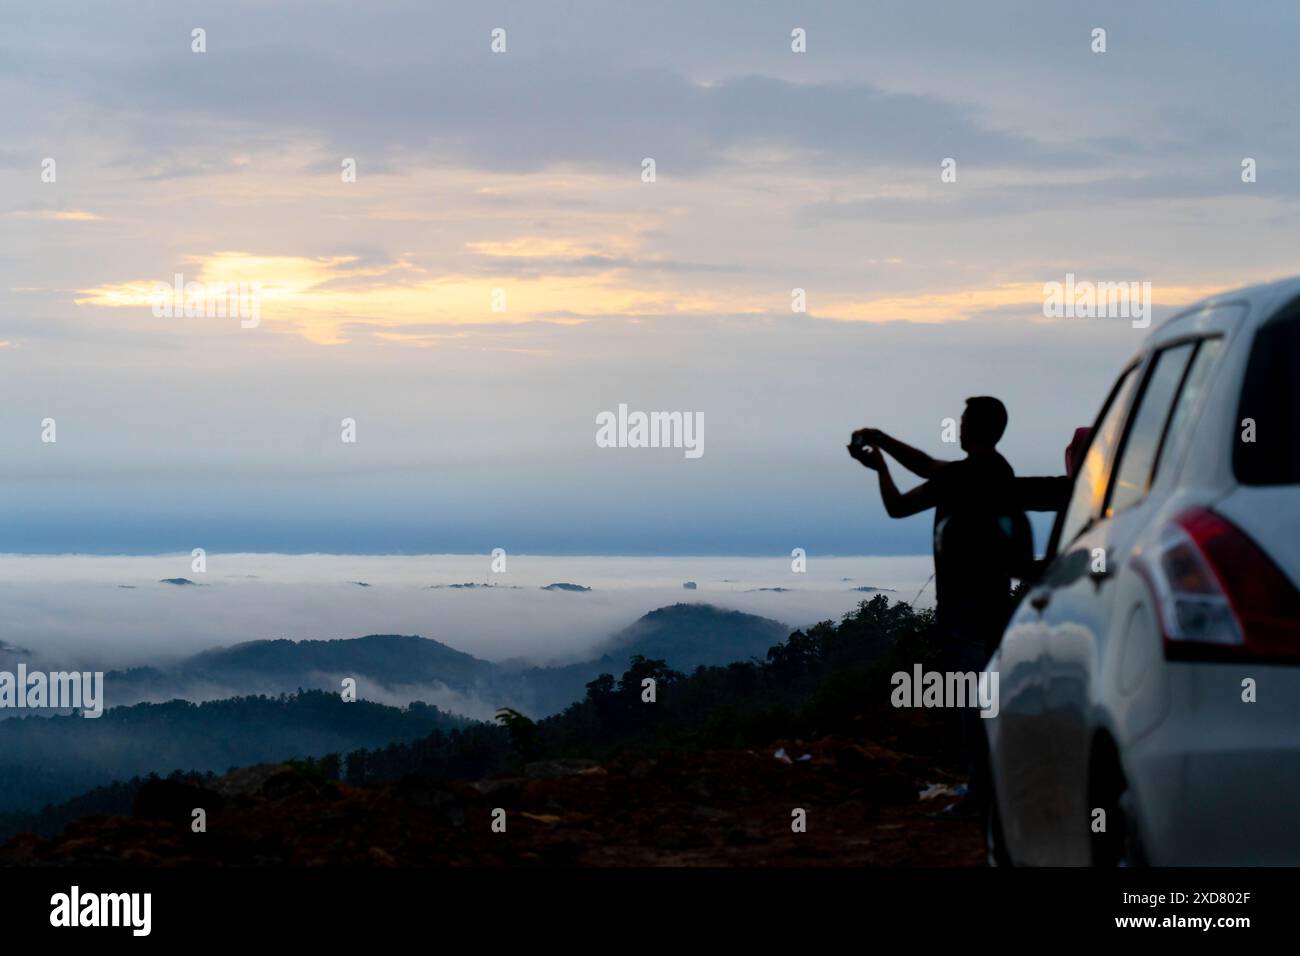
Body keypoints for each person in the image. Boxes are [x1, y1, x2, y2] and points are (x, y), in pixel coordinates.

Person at [848, 397, 1030, 817]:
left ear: (981, 428)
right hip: (977, 610)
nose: (959, 427)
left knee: (975, 701)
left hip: (974, 610)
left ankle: (983, 794)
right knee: (979, 699)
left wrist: (881, 444)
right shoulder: (974, 475)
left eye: (965, 421)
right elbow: (902, 503)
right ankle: (986, 789)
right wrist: (881, 467)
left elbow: (926, 471)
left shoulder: (981, 472)